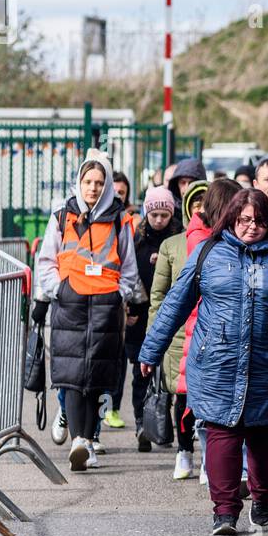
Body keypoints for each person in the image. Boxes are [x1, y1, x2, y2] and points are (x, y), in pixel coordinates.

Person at [139, 188, 268, 535]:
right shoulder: (208, 252)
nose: (251, 227)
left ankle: (262, 495)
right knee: (222, 434)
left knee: (266, 440)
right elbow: (176, 302)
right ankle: (224, 511)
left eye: (259, 221)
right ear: (232, 219)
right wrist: (151, 349)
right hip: (216, 364)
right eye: (244, 221)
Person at [33, 149, 139, 473]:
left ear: (106, 186)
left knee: (96, 377)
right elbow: (46, 260)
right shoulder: (62, 216)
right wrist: (57, 289)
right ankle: (79, 441)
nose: (92, 188)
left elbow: (129, 264)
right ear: (79, 182)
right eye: (88, 181)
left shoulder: (120, 218)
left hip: (106, 305)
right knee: (72, 376)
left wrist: (120, 293)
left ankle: (88, 441)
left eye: (99, 182)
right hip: (71, 304)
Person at [149, 178, 235, 477]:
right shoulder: (178, 244)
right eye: (195, 202)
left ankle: (210, 461)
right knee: (184, 397)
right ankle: (185, 451)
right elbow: (164, 297)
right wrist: (153, 341)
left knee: (212, 401)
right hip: (184, 332)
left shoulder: (238, 238)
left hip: (216, 330)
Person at [119, 185, 181, 450]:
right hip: (141, 315)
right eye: (154, 215)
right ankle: (141, 423)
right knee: (141, 373)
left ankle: (161, 422)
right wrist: (129, 308)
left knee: (167, 375)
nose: (158, 220)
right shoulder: (136, 237)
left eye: (164, 216)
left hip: (170, 315)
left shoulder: (178, 237)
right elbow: (127, 271)